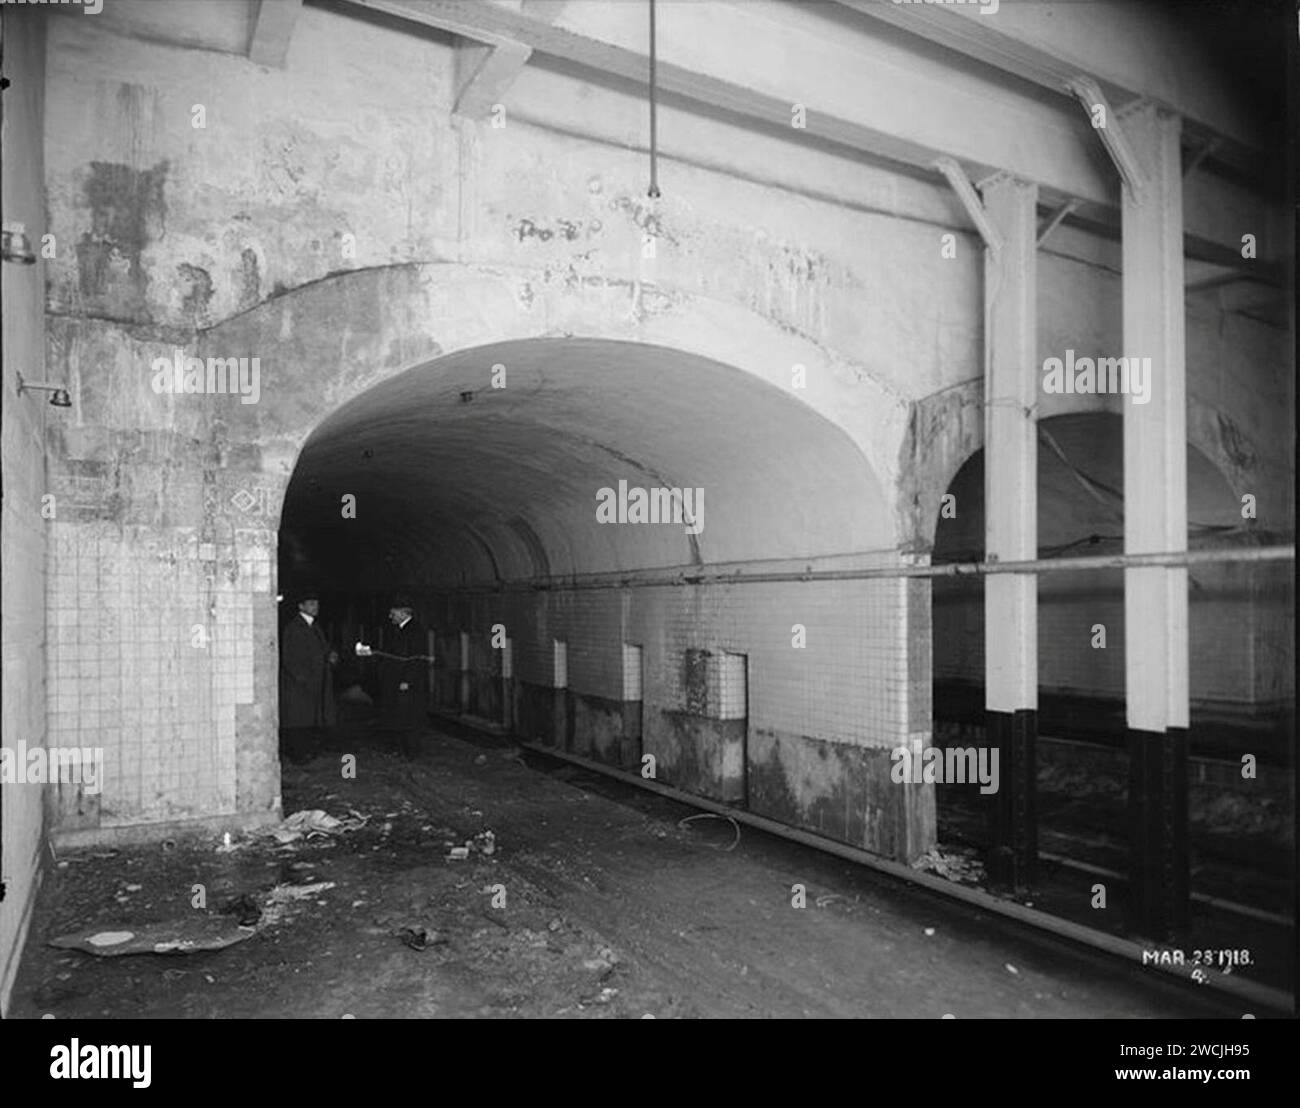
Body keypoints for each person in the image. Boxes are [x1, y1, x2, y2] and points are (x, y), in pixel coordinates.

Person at [278, 592, 338, 762]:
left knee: (309, 718)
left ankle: (306, 752)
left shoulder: (315, 627)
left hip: (314, 682)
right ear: (301, 606)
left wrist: (330, 655)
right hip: (300, 685)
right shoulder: (294, 628)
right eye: (311, 604)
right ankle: (299, 755)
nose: (315, 607)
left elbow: (321, 649)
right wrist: (303, 679)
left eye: (316, 604)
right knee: (298, 720)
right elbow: (290, 658)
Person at [377, 595, 429, 755]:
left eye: (393, 613)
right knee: (400, 714)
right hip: (398, 679)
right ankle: (402, 749)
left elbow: (416, 658)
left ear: (403, 613)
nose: (390, 617)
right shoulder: (400, 630)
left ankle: (411, 751)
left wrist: (407, 680)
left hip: (408, 682)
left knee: (409, 717)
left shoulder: (415, 631)